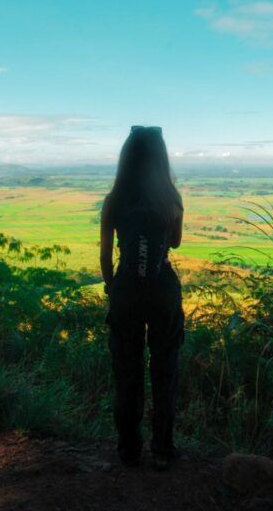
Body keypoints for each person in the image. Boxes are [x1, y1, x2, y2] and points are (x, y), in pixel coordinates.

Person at [100, 125, 185, 471]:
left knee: (127, 370)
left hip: (126, 291)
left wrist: (114, 287)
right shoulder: (171, 199)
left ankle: (128, 449)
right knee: (165, 370)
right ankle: (163, 450)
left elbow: (106, 257)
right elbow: (176, 243)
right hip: (162, 289)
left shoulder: (114, 200)